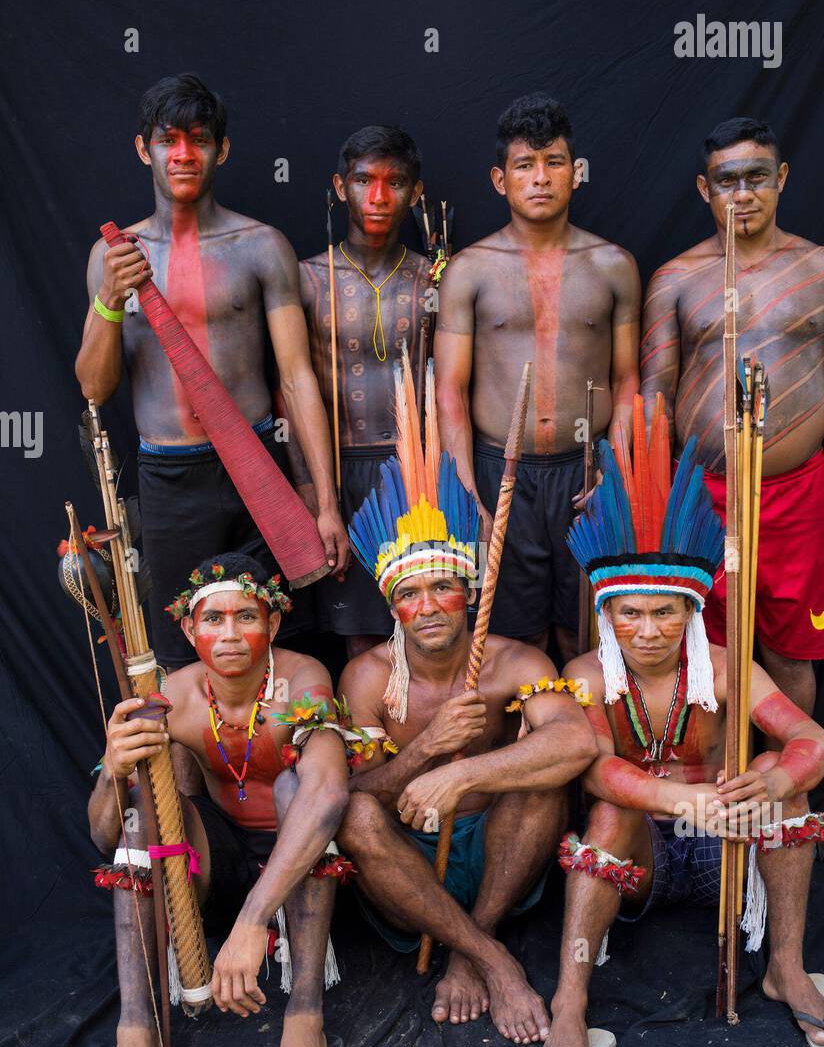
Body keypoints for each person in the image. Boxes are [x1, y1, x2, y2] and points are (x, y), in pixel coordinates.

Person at [517, 396, 824, 1047]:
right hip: (639, 858)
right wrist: (678, 798)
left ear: (691, 610)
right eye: (630, 612)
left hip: (725, 854)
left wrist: (772, 774)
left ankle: (788, 970)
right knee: (610, 808)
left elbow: (814, 743)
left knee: (788, 794)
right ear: (608, 613)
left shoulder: (727, 666)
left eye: (664, 611)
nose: (647, 630)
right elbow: (593, 766)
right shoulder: (585, 676)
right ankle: (572, 1001)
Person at [335, 367, 598, 1042]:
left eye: (441, 589)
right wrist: (424, 752)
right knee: (358, 815)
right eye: (409, 595)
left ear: (469, 589)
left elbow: (576, 744)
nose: (425, 608)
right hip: (409, 871)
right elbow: (350, 797)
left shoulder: (515, 663)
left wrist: (464, 773)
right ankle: (495, 959)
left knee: (542, 777)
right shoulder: (367, 680)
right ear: (391, 605)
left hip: (501, 861)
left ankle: (470, 942)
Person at [74, 73, 349, 671]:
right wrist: (110, 299)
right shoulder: (113, 255)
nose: (183, 154)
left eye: (198, 139)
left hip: (255, 464)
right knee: (180, 656)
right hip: (169, 477)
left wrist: (325, 503)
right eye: (168, 140)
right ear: (144, 150)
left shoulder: (260, 245)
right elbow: (95, 388)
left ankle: (284, 764)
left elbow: (299, 378)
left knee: (277, 642)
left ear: (220, 150)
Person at [83, 554, 359, 1047]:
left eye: (245, 616)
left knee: (296, 789)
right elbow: (106, 837)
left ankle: (304, 1012)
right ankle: (136, 1031)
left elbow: (331, 794)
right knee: (140, 815)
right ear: (189, 629)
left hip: (296, 869)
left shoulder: (303, 679)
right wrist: (113, 768)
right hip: (216, 864)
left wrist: (252, 921)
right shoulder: (170, 695)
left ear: (274, 623)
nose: (230, 634)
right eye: (213, 620)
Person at [640, 116, 824, 717]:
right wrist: (650, 490)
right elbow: (653, 397)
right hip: (701, 494)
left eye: (757, 178)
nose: (743, 195)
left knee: (791, 655)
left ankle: (790, 803)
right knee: (704, 649)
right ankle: (715, 801)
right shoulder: (676, 279)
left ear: (782, 178)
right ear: (703, 189)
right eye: (727, 181)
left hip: (798, 494)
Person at [435, 92, 641, 658]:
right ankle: (522, 744)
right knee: (507, 637)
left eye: (554, 163)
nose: (541, 178)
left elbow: (627, 382)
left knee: (589, 630)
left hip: (587, 471)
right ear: (500, 180)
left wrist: (615, 471)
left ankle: (588, 744)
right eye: (525, 165)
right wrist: (464, 490)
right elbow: (449, 390)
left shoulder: (613, 265)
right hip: (500, 470)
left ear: (575, 173)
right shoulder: (469, 271)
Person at [297, 124, 431, 657]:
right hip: (340, 468)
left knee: (426, 621)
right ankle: (365, 741)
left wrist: (443, 480)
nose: (378, 197)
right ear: (339, 186)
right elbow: (291, 396)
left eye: (395, 182)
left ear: (415, 193)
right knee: (360, 635)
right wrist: (316, 498)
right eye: (363, 180)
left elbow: (452, 392)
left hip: (417, 466)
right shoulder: (308, 278)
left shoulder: (435, 278)